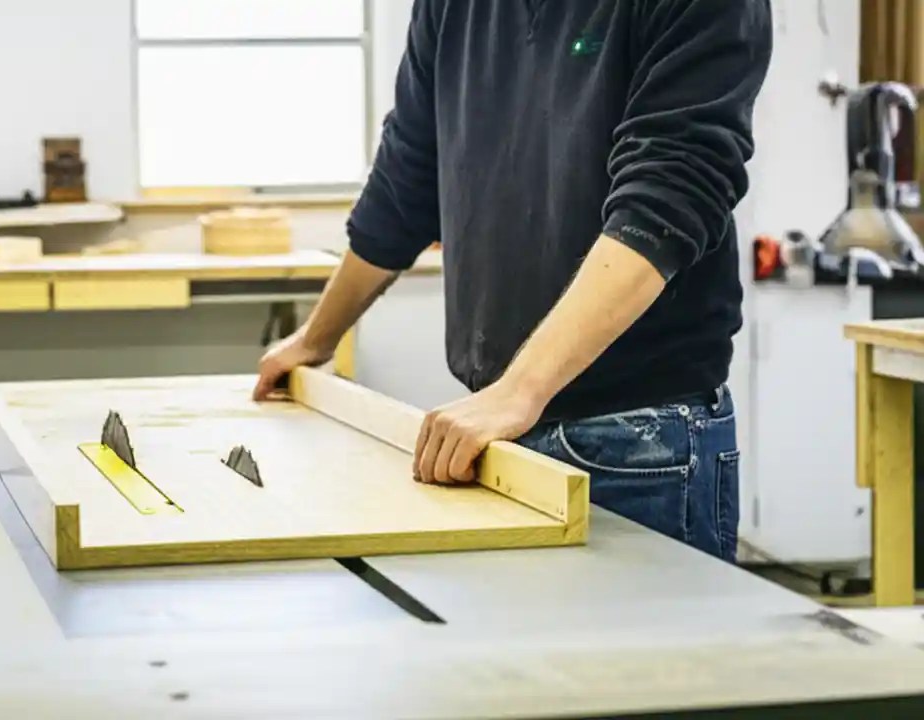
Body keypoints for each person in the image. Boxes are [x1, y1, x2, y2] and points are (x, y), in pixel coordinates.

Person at [254, 0, 773, 562]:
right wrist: (317, 338)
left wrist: (521, 389)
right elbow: (407, 181)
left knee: (649, 653)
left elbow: (666, 200)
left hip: (638, 442)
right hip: (503, 433)